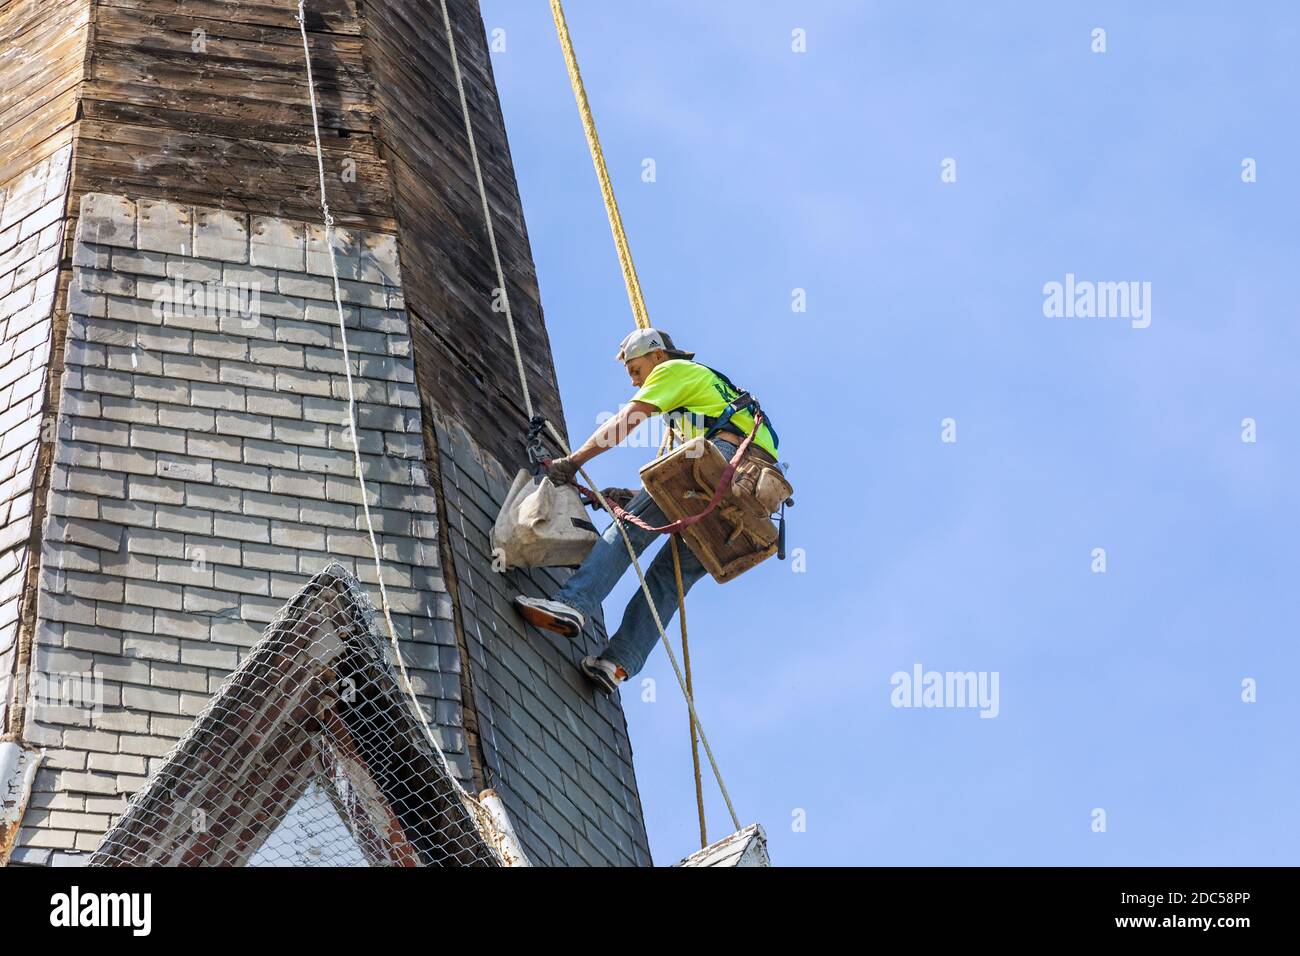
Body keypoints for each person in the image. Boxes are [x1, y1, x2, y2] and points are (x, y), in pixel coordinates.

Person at [513, 328, 780, 694]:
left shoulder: (670, 372)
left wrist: (574, 462)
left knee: (627, 532)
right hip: (750, 497)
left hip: (715, 466)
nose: (636, 380)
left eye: (636, 370)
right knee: (670, 580)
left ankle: (573, 604)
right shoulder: (717, 389)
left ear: (657, 356)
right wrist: (635, 495)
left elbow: (624, 423)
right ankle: (617, 663)